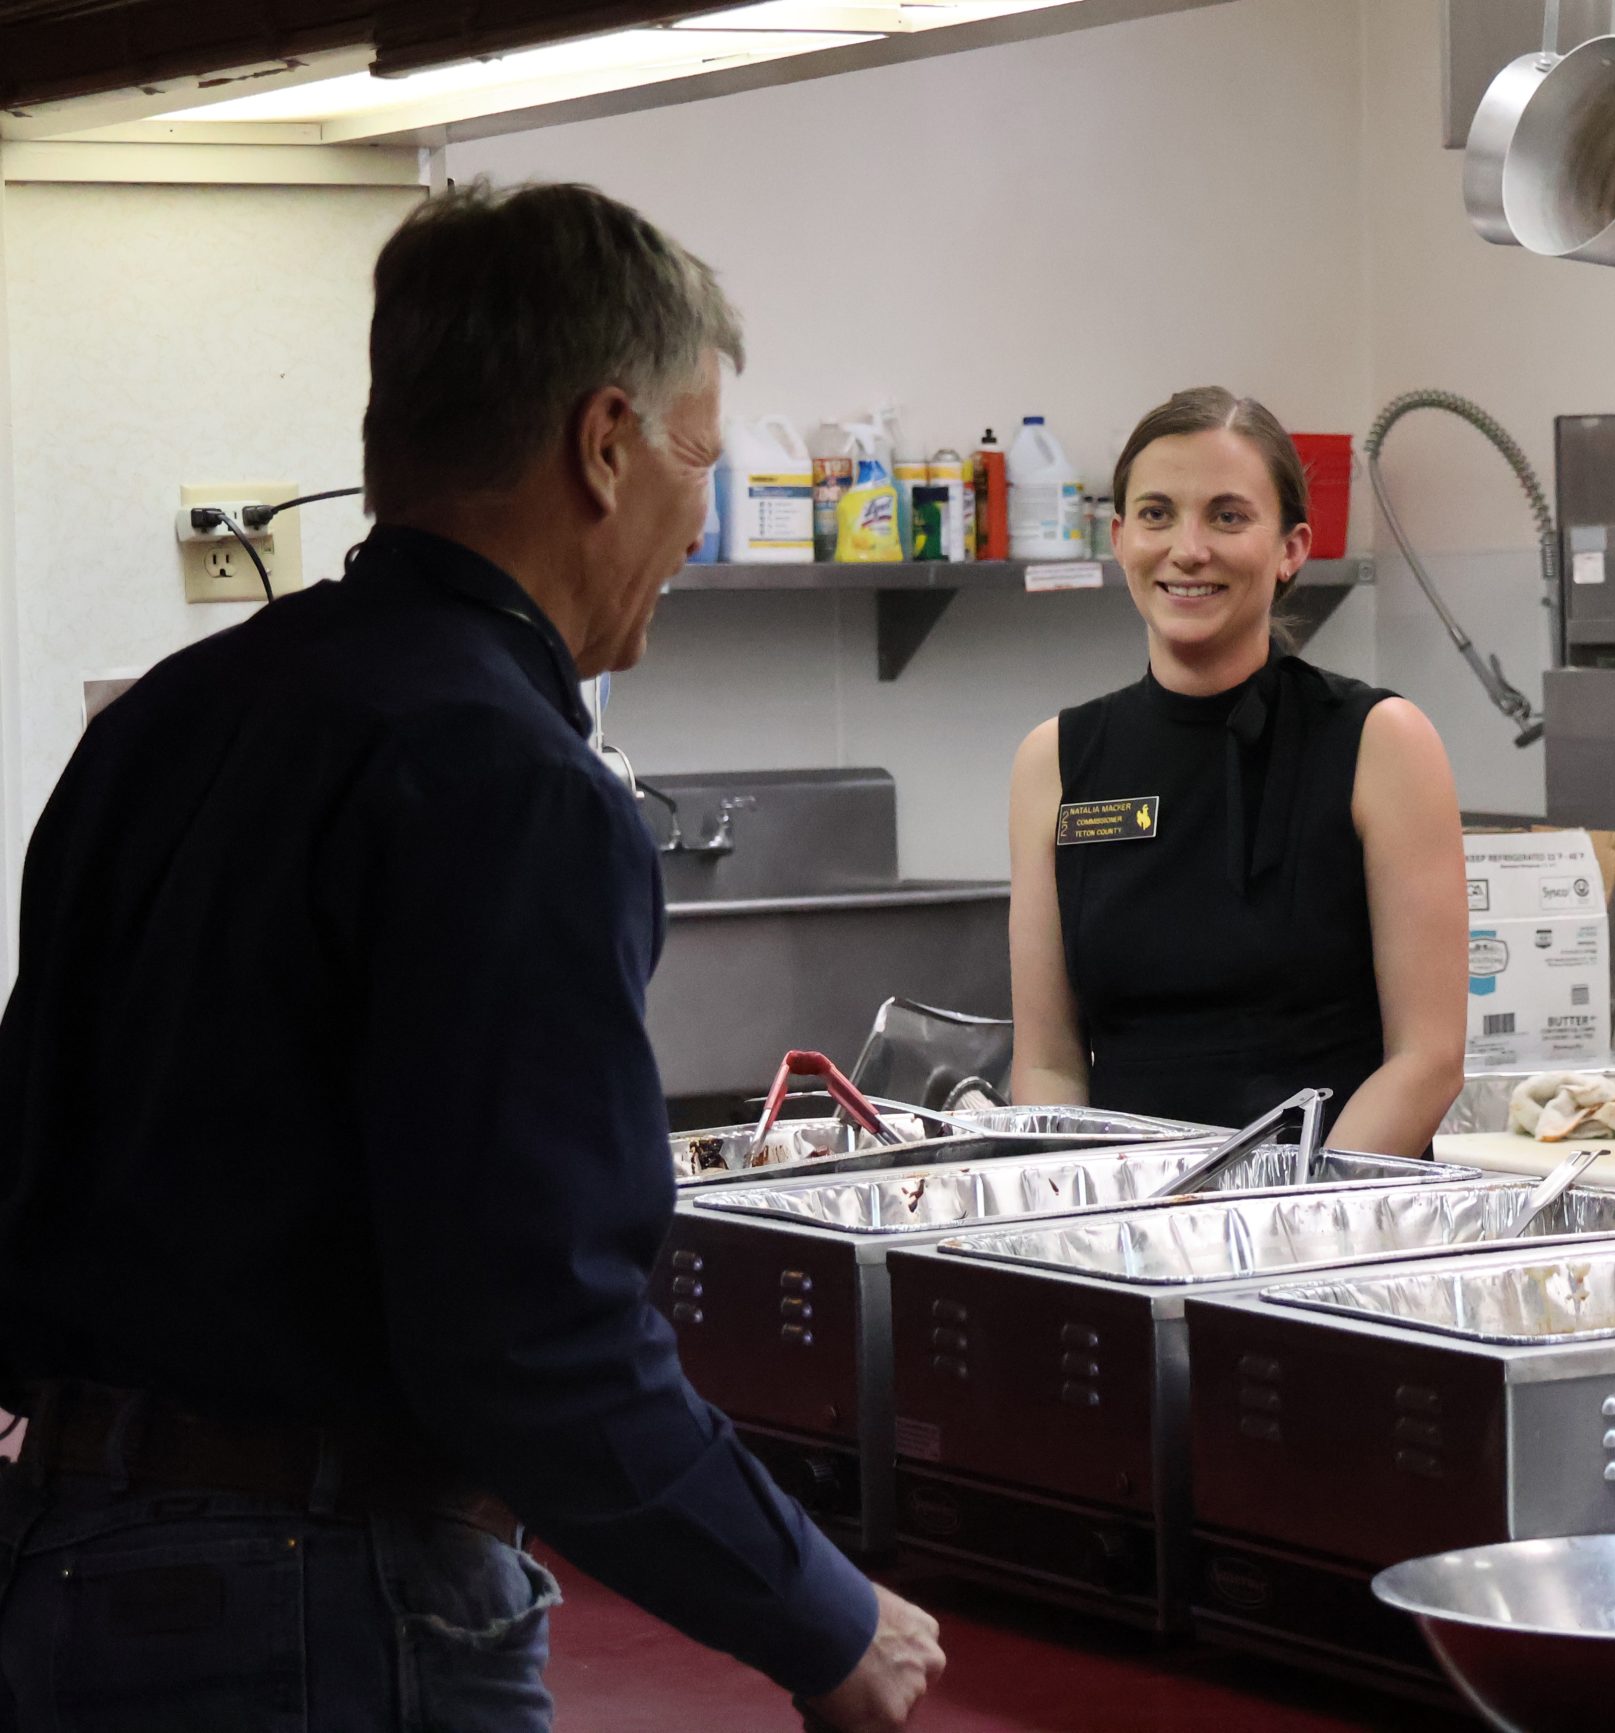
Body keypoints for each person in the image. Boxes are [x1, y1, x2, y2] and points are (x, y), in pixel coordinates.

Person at [0, 181, 942, 1730]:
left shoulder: (161, 724)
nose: (697, 520)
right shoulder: (510, 780)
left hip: (58, 1567)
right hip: (322, 1609)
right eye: (699, 458)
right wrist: (824, 1619)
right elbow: (535, 1333)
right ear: (605, 443)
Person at [1007, 387, 1466, 1153]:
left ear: (1291, 548)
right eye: (1157, 513)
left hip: (1330, 1214)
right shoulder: (1053, 763)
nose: (1189, 548)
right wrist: (1096, 1205)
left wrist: (1290, 1209)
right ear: (1119, 538)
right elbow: (1048, 1064)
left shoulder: (1381, 742)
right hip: (1124, 1213)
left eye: (1228, 516)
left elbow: (1428, 1059)